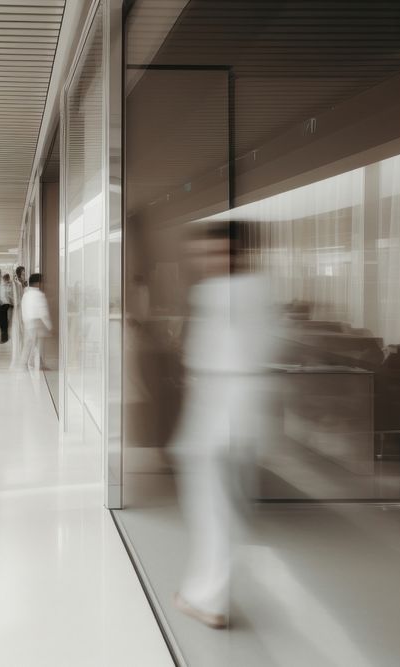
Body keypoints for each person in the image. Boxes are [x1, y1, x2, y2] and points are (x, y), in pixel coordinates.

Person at [172, 221, 273, 629]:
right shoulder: (260, 290)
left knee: (214, 507)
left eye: (213, 251)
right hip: (241, 411)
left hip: (220, 413)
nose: (205, 260)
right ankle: (210, 592)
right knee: (223, 507)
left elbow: (199, 358)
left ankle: (208, 598)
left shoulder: (214, 293)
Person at [16, 273, 51, 370]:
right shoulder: (39, 295)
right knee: (36, 344)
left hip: (28, 322)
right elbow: (43, 311)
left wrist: (24, 321)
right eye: (42, 282)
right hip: (37, 322)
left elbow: (23, 309)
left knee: (30, 343)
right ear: (37, 283)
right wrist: (49, 326)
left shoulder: (26, 294)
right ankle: (31, 363)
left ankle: (28, 363)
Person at [10, 266, 26, 359]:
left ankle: (21, 348)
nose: (24, 275)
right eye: (23, 273)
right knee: (20, 328)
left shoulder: (21, 283)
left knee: (20, 328)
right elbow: (19, 299)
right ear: (19, 274)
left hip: (21, 308)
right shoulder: (18, 284)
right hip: (20, 309)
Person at [0, 273, 14, 343]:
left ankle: (4, 338)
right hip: (3, 305)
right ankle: (4, 338)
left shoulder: (9, 286)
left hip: (6, 305)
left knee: (4, 322)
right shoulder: (3, 286)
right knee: (3, 322)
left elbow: (9, 296)